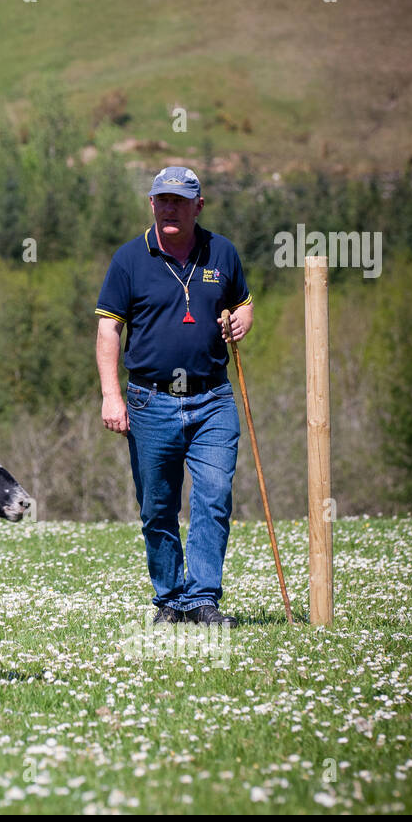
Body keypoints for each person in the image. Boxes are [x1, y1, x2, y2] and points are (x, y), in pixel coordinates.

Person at [94, 166, 252, 626]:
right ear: (151, 204)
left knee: (214, 496)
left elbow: (243, 300)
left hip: (213, 399)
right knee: (157, 507)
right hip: (150, 401)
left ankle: (203, 599)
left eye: (179, 201)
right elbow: (109, 328)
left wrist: (244, 320)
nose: (170, 208)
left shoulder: (221, 252)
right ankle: (170, 598)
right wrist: (110, 395)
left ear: (198, 206)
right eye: (162, 200)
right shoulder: (129, 259)